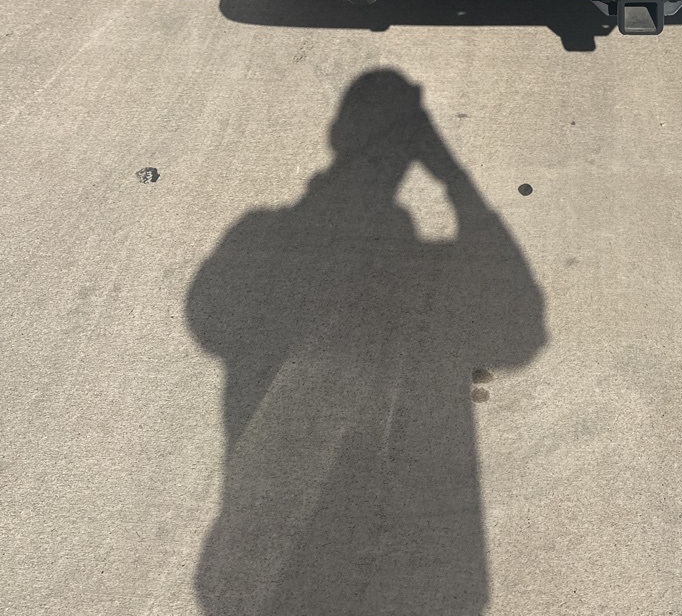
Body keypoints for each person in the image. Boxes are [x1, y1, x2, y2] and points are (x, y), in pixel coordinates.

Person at [187, 68, 546, 615]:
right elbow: (518, 332)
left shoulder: (260, 237)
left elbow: (208, 319)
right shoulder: (418, 265)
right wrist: (453, 178)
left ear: (336, 136)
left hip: (262, 565)